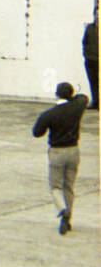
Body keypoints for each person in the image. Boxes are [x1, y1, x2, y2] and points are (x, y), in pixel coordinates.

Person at [31, 82, 89, 234]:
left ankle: (63, 210)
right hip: (74, 150)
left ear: (56, 94)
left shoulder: (50, 114)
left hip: (57, 152)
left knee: (55, 186)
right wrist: (73, 97)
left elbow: (37, 133)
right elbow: (84, 98)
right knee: (69, 186)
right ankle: (67, 219)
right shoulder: (77, 107)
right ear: (70, 94)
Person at [83, 10, 98, 111]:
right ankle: (96, 102)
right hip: (91, 59)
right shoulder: (90, 28)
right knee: (93, 82)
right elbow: (84, 42)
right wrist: (86, 54)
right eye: (97, 14)